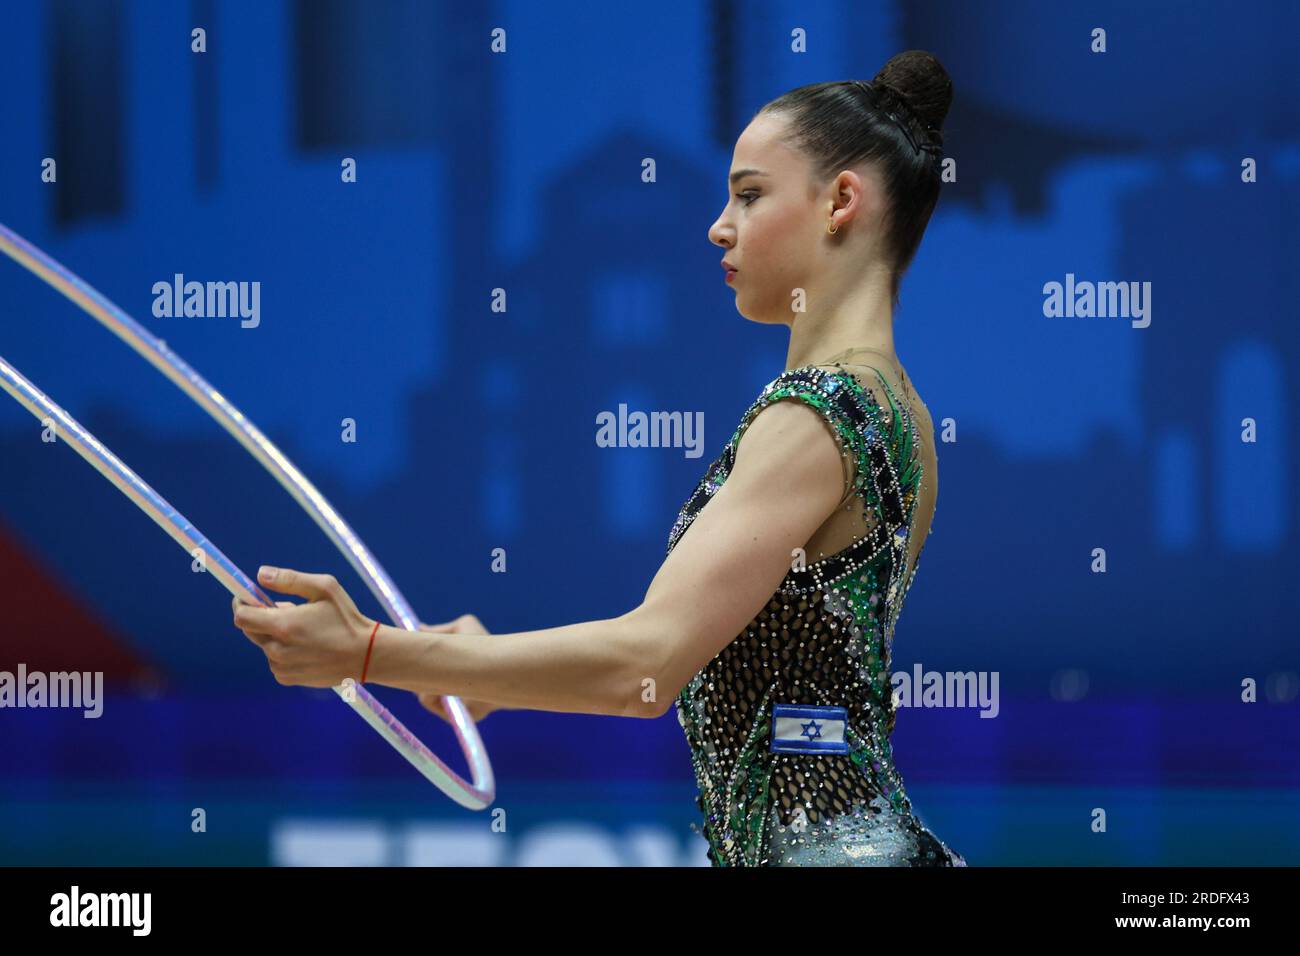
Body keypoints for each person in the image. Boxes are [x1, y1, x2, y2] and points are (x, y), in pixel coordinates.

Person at [232, 49, 965, 867]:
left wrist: (370, 651)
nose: (719, 226)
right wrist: (476, 668)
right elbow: (774, 676)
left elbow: (643, 667)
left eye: (750, 194)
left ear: (841, 201)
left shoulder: (814, 417)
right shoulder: (901, 412)